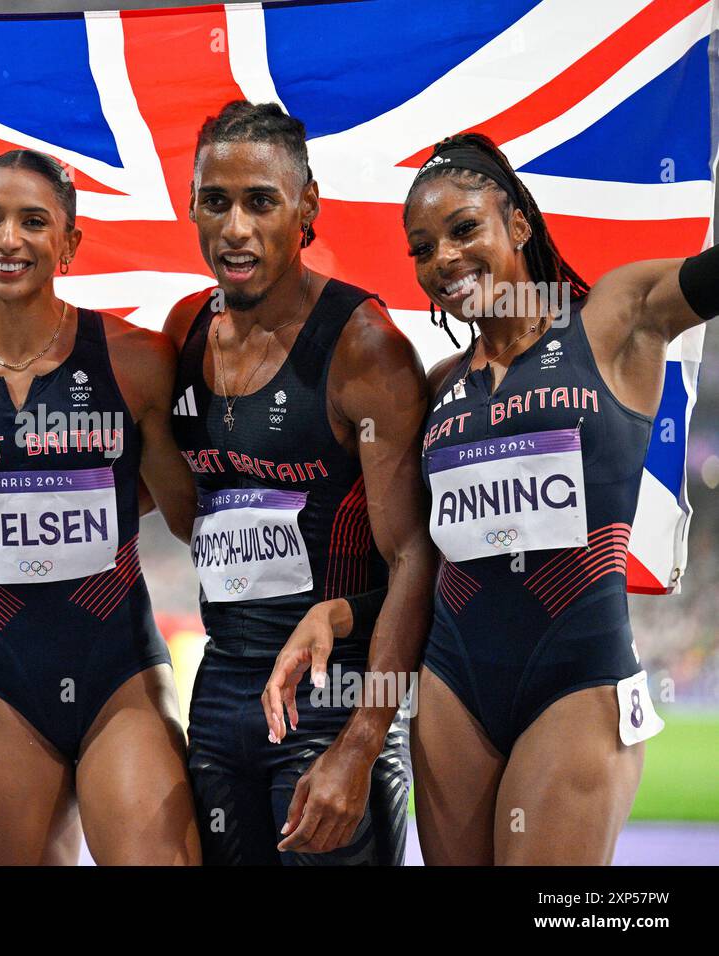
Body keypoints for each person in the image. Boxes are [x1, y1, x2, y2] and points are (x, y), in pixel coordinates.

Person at [270, 132, 712, 864]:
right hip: (453, 692)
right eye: (421, 247)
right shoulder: (440, 387)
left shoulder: (614, 316)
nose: (442, 257)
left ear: (518, 225)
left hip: (575, 681)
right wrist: (340, 610)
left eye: (464, 228)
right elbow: (430, 572)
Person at [0, 149, 201, 865]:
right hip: (3, 683)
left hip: (118, 673)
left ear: (70, 242)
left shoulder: (135, 360)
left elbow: (187, 511)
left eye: (34, 222)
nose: (9, 240)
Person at [165, 101, 436, 865]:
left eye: (261, 202)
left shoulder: (365, 349)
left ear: (306, 206)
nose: (236, 229)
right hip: (220, 694)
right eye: (215, 203)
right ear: (191, 206)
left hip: (335, 702)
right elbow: (171, 496)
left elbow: (418, 564)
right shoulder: (187, 327)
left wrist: (360, 745)